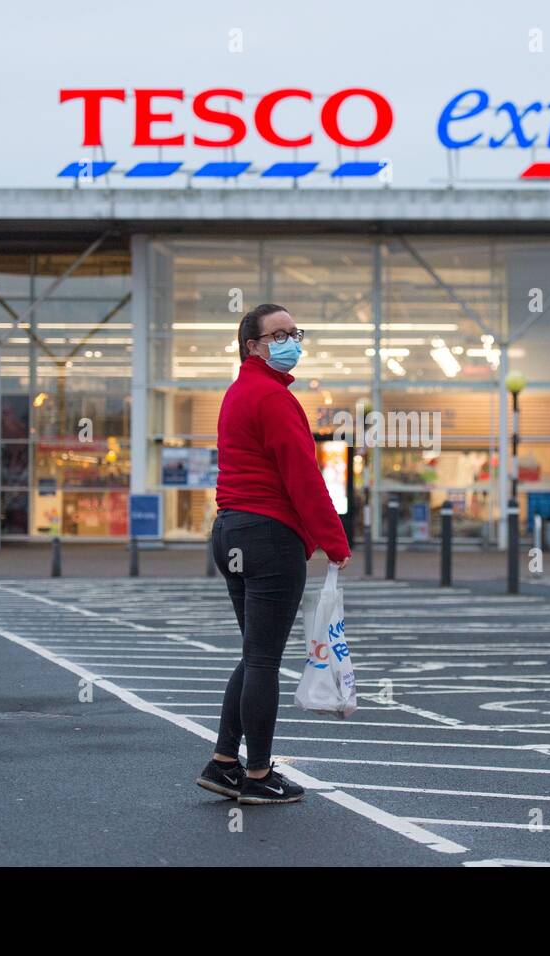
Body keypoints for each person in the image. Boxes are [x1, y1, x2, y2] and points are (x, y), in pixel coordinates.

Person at [196, 303, 352, 806]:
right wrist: (335, 540)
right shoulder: (272, 397)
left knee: (253, 655)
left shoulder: (239, 392)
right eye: (278, 334)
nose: (290, 341)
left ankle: (224, 764)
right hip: (268, 536)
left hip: (231, 532)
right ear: (253, 346)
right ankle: (259, 775)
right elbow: (302, 476)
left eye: (294, 332)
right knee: (263, 659)